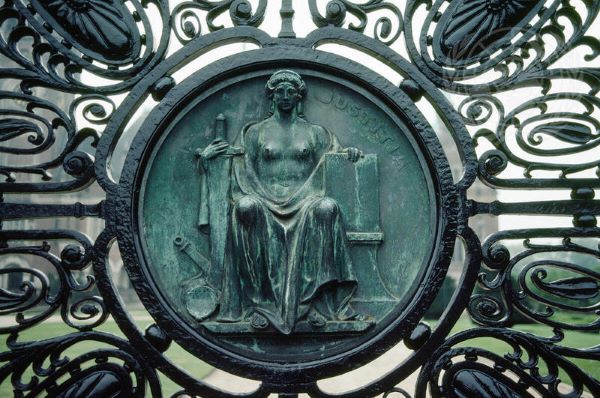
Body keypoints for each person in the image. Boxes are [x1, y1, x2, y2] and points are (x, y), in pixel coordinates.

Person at [200, 70, 363, 334]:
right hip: (263, 202)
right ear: (272, 98)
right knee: (244, 208)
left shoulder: (316, 133)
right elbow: (234, 165)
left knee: (327, 207)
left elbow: (336, 157)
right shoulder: (254, 133)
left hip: (306, 201)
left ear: (298, 98)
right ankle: (259, 304)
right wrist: (208, 160)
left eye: (291, 92)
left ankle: (312, 305)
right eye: (280, 92)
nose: (285, 97)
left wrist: (351, 154)